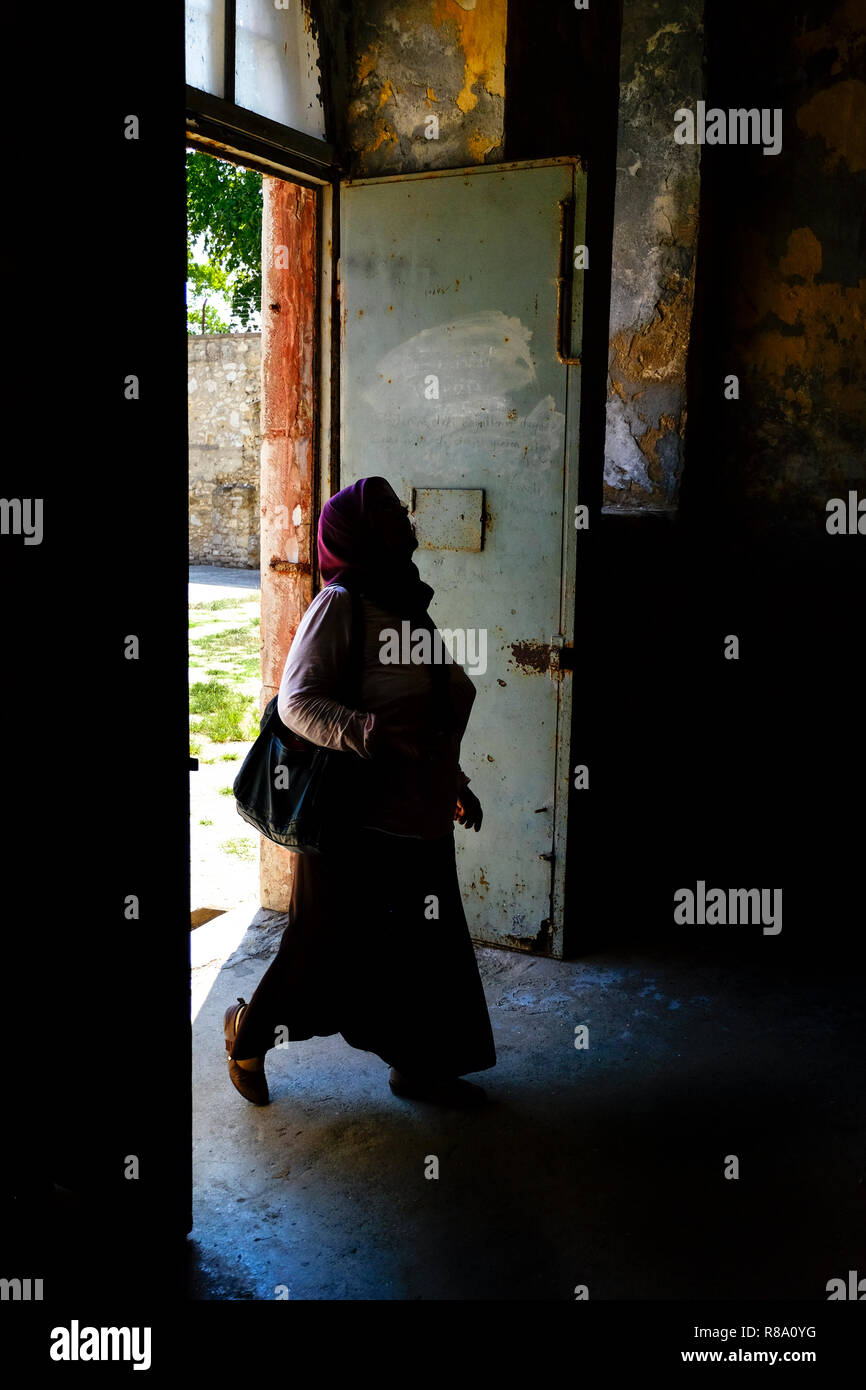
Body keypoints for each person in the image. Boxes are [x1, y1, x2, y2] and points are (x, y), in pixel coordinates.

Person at [224, 476, 496, 1108]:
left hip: (419, 820)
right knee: (321, 953)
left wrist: (452, 782)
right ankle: (247, 1033)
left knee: (420, 952)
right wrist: (369, 733)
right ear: (359, 533)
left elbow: (425, 708)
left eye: (400, 508)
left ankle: (419, 1062)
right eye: (391, 512)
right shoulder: (340, 603)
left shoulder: (405, 603)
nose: (405, 519)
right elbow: (297, 704)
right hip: (356, 823)